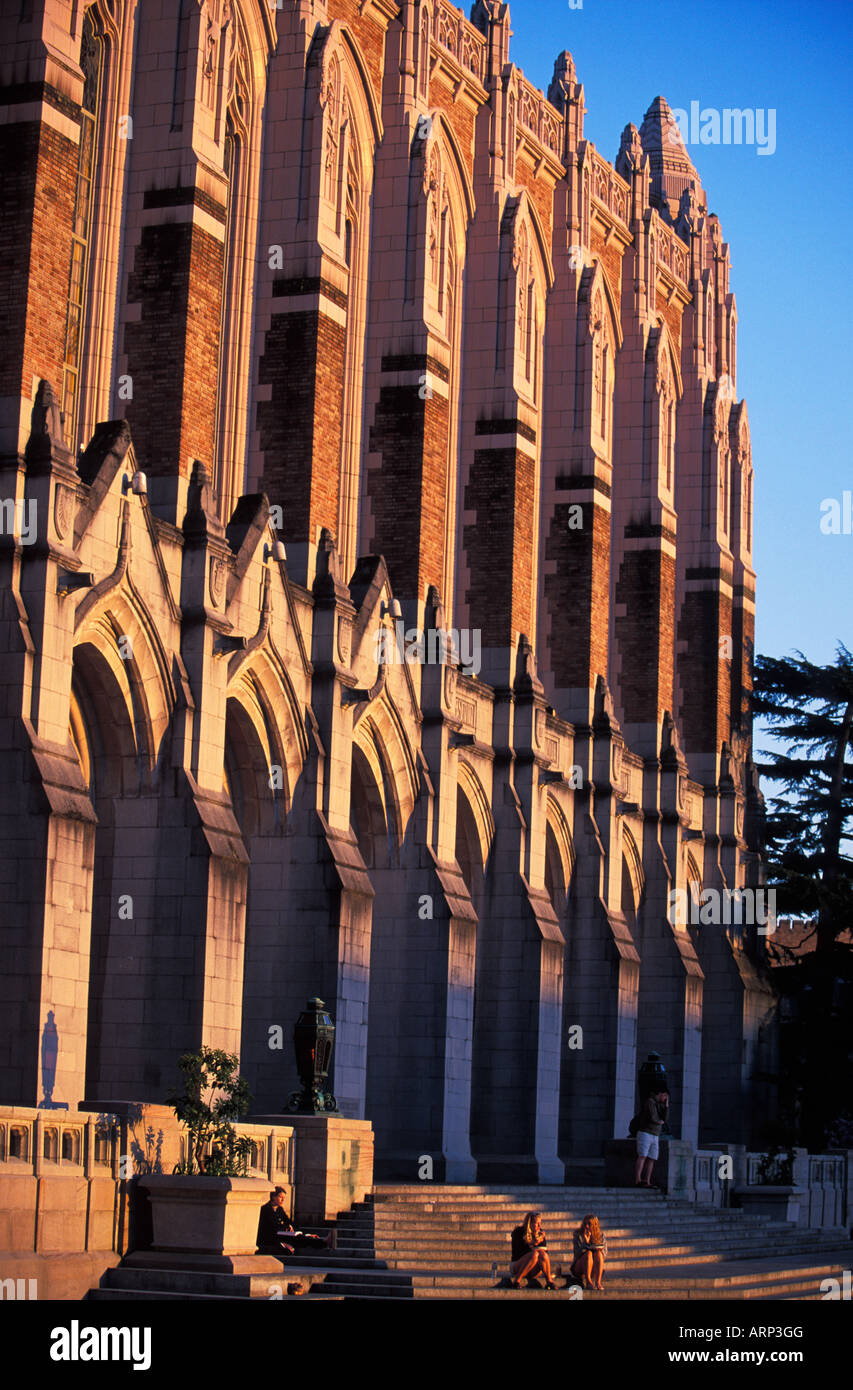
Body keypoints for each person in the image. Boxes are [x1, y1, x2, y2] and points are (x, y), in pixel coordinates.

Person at [256, 1187, 333, 1258]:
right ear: (273, 1197)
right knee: (297, 1240)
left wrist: (295, 1229)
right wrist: (286, 1227)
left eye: (284, 1198)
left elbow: (289, 1222)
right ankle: (324, 1242)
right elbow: (273, 1227)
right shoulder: (265, 1210)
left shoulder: (280, 1209)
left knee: (300, 1237)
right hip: (271, 1238)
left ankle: (322, 1241)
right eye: (280, 1197)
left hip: (282, 1235)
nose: (283, 1200)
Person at [508, 1211, 555, 1290]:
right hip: (518, 1264)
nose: (539, 1226)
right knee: (534, 1255)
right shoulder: (518, 1232)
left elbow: (544, 1255)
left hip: (534, 1268)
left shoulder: (540, 1233)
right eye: (537, 1223)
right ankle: (517, 1281)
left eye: (540, 1223)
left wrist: (539, 1242)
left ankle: (549, 1281)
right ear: (530, 1223)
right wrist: (532, 1244)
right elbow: (518, 1253)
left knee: (543, 1254)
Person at [634, 1087, 669, 1187]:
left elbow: (665, 1118)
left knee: (652, 1158)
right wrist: (659, 1122)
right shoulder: (650, 1101)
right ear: (660, 1093)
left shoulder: (661, 1105)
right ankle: (638, 1180)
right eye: (665, 1095)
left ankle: (647, 1181)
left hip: (655, 1135)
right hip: (646, 1132)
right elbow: (653, 1117)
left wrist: (666, 1106)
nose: (665, 1098)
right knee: (643, 1156)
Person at [570, 1214, 607, 1291]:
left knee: (599, 1254)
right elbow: (577, 1253)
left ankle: (598, 1282)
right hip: (580, 1265)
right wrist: (585, 1243)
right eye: (585, 1224)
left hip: (594, 1265)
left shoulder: (600, 1235)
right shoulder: (578, 1235)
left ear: (594, 1225)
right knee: (588, 1254)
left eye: (589, 1224)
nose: (586, 1226)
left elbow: (604, 1254)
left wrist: (595, 1247)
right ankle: (588, 1282)